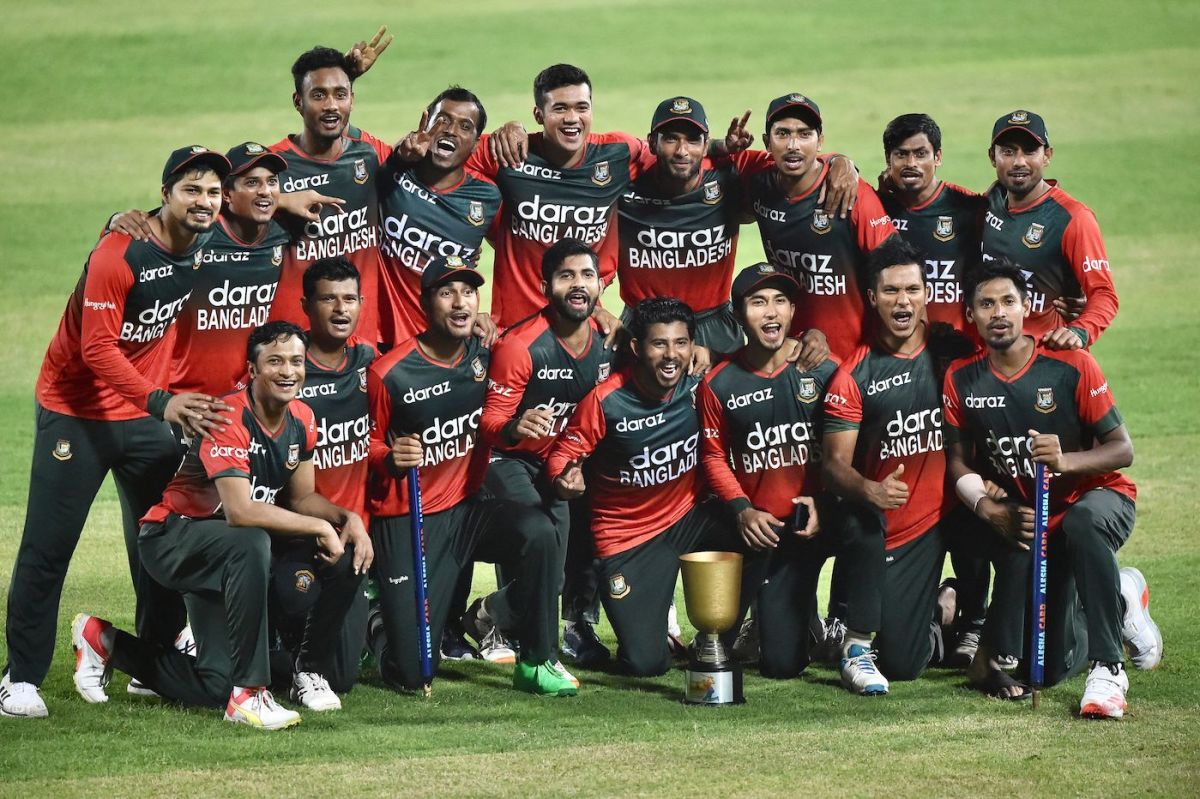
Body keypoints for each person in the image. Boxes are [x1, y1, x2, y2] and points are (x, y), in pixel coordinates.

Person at [1, 146, 234, 719]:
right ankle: (21, 676)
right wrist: (162, 401)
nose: (203, 202)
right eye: (191, 190)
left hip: (145, 417)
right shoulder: (118, 252)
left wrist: (292, 197)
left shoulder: (209, 235)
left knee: (160, 539)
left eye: (211, 192)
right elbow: (97, 349)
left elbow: (264, 204)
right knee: (48, 547)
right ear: (165, 195)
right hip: (76, 414)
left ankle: (152, 663)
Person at [69, 321, 373, 729]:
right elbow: (240, 512)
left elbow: (302, 498)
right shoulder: (228, 416)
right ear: (252, 370)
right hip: (174, 539)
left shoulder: (302, 417)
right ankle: (251, 693)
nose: (288, 371)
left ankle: (103, 641)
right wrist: (318, 529)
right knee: (250, 540)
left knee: (214, 687)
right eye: (275, 362)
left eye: (297, 362)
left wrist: (344, 518)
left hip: (229, 556)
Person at [943, 259, 1161, 717]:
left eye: (1008, 301)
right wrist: (984, 504)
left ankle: (1109, 668)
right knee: (1050, 668)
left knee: (1083, 523)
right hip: (1035, 518)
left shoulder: (1070, 365)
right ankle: (1115, 596)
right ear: (971, 315)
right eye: (986, 304)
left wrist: (1065, 461)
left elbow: (1121, 449)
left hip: (1096, 498)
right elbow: (958, 460)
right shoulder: (961, 377)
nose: (998, 312)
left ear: (1026, 308)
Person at [365, 256, 573, 696]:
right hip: (412, 517)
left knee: (538, 532)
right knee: (413, 673)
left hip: (470, 505)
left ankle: (537, 659)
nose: (460, 303)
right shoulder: (389, 373)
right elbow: (362, 444)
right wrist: (388, 454)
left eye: (468, 292)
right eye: (446, 293)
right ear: (424, 303)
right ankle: (379, 621)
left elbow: (498, 414)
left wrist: (516, 428)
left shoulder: (487, 354)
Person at [546, 298, 765, 676]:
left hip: (691, 515)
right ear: (636, 348)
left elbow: (757, 365)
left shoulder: (699, 385)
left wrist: (806, 338)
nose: (671, 355)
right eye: (659, 344)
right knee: (646, 663)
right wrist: (565, 479)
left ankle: (717, 639)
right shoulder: (606, 401)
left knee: (760, 534)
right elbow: (563, 455)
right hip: (628, 538)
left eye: (681, 343)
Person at [699, 263, 881, 681]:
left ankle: (857, 641)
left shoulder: (824, 368)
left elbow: (854, 448)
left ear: (794, 310)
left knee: (867, 522)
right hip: (771, 532)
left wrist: (825, 501)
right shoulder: (719, 383)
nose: (771, 313)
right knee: (781, 665)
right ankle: (792, 621)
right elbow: (712, 455)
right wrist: (742, 510)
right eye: (758, 302)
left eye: (780, 301)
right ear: (738, 313)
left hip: (823, 514)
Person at [821, 237, 958, 692]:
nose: (903, 302)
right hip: (890, 526)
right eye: (892, 292)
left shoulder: (953, 354)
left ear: (927, 294)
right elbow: (834, 465)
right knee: (902, 664)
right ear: (872, 298)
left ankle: (976, 616)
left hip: (949, 516)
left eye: (913, 290)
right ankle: (938, 610)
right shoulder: (854, 374)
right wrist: (871, 491)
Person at [480, 237, 617, 666]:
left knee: (554, 578)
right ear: (545, 287)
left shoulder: (609, 342)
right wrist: (515, 426)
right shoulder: (520, 345)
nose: (578, 285)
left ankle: (486, 616)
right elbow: (488, 425)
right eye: (565, 276)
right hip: (510, 460)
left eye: (587, 276)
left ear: (599, 288)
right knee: (541, 556)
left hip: (561, 466)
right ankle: (535, 652)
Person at [465, 63, 654, 328]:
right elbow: (441, 159)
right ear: (539, 114)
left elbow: (679, 156)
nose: (572, 119)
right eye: (560, 108)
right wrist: (469, 236)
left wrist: (722, 146)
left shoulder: (617, 154)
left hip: (582, 323)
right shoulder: (510, 152)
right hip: (515, 328)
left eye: (581, 107)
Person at [731, 93, 896, 361]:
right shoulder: (758, 177)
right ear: (766, 142)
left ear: (819, 142)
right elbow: (696, 159)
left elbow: (898, 272)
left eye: (804, 134)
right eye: (782, 134)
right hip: (790, 354)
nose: (793, 145)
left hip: (856, 360)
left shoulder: (851, 194)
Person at [280, 257, 376, 695]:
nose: (340, 309)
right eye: (328, 299)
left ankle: (374, 621)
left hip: (352, 539)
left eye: (350, 299)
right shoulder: (287, 372)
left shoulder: (369, 362)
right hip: (294, 535)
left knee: (339, 677)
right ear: (306, 305)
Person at [267, 34, 394, 343]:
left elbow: (434, 162)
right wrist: (279, 200)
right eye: (319, 95)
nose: (331, 106)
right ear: (299, 101)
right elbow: (218, 206)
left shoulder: (369, 153)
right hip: (294, 343)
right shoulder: (272, 165)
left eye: (341, 94)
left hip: (361, 339)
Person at [981, 110, 1118, 350]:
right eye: (1008, 151)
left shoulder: (1073, 218)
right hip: (992, 362)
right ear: (993, 157)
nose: (1019, 161)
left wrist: (1081, 331)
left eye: (1030, 151)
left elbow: (1104, 293)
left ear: (1047, 156)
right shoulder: (989, 202)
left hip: (1048, 361)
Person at [378, 86, 502, 345]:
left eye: (465, 126)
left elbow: (520, 252)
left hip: (448, 342)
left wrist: (477, 314)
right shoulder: (390, 171)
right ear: (425, 125)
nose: (451, 130)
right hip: (381, 336)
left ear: (476, 144)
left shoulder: (488, 197)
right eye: (442, 120)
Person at [877, 113, 985, 334]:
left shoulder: (970, 208)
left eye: (921, 154)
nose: (911, 164)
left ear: (938, 157)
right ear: (888, 158)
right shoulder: (876, 209)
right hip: (898, 349)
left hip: (958, 348)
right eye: (901, 154)